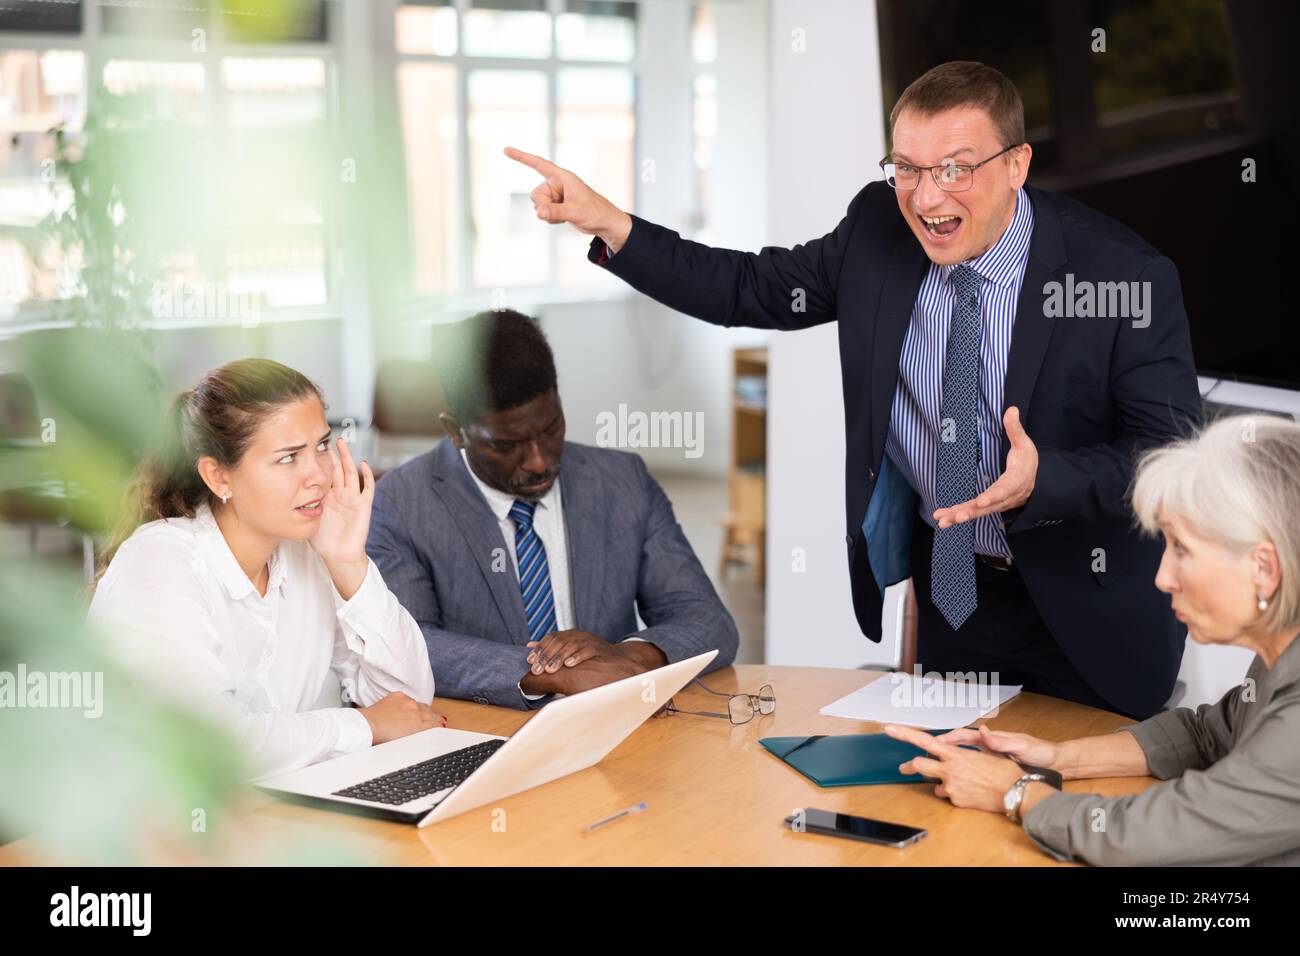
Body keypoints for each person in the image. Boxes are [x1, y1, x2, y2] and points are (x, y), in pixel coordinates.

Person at [504, 59, 1201, 719]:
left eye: (955, 169)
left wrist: (1048, 477)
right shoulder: (878, 230)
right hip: (959, 598)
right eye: (907, 168)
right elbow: (749, 287)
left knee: (1085, 815)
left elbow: (1172, 457)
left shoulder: (1123, 275)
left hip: (1091, 609)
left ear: (1016, 164)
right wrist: (609, 224)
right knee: (956, 819)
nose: (927, 198)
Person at [884, 415, 1300, 866]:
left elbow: (1163, 833)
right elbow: (1207, 734)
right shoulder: (1280, 658)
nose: (1162, 578)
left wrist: (1013, 791)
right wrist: (1056, 757)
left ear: (1264, 568)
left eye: (1181, 550)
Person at [366, 309, 738, 710]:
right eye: (507, 445)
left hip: (616, 728)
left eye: (551, 428)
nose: (540, 462)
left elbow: (707, 619)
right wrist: (554, 674)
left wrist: (628, 658)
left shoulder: (621, 480)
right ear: (456, 431)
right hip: (488, 734)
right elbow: (411, 644)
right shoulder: (402, 501)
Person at [89, 359, 442, 779]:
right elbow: (213, 747)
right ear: (219, 477)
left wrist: (349, 563)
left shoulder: (308, 553)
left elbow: (408, 702)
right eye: (289, 457)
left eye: (323, 446)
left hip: (274, 813)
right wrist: (364, 724)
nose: (319, 475)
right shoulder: (159, 562)